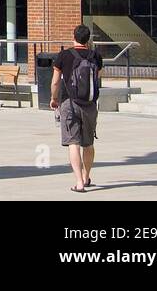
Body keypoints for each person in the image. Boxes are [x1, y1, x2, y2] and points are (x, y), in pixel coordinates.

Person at [51, 24, 104, 193]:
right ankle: (87, 176)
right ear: (88, 39)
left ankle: (79, 182)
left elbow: (55, 81)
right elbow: (97, 78)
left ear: (73, 37)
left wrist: (54, 99)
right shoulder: (95, 56)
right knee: (88, 144)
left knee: (73, 142)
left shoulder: (64, 55)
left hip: (69, 103)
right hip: (89, 104)